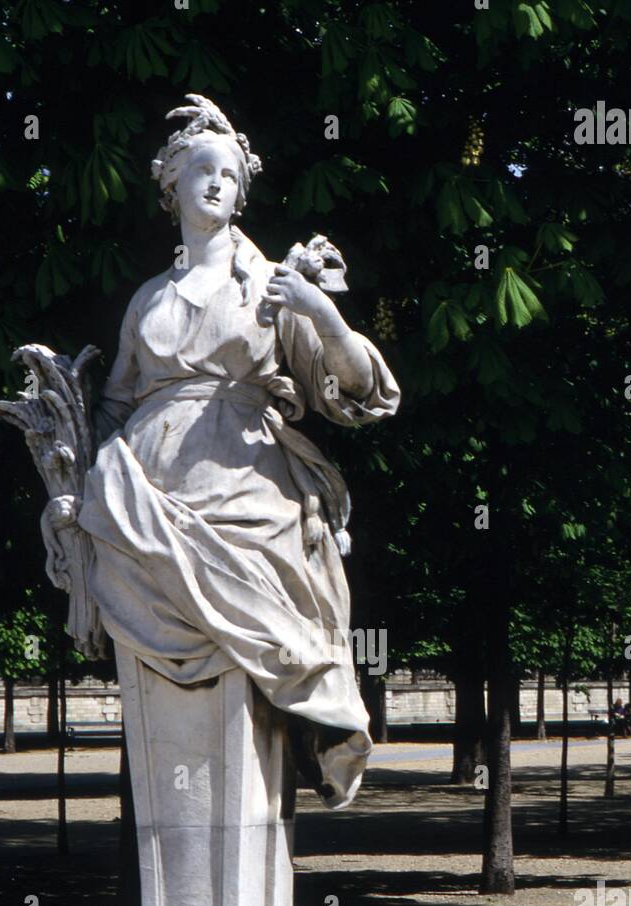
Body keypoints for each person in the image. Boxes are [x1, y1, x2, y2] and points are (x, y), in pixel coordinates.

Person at [76, 96, 401, 808]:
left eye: (229, 173)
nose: (216, 183)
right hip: (147, 509)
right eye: (200, 170)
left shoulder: (273, 285)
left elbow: (361, 390)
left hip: (248, 496)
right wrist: (79, 484)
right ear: (171, 187)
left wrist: (320, 311)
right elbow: (115, 407)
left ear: (241, 190)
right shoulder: (148, 301)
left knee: (264, 665)